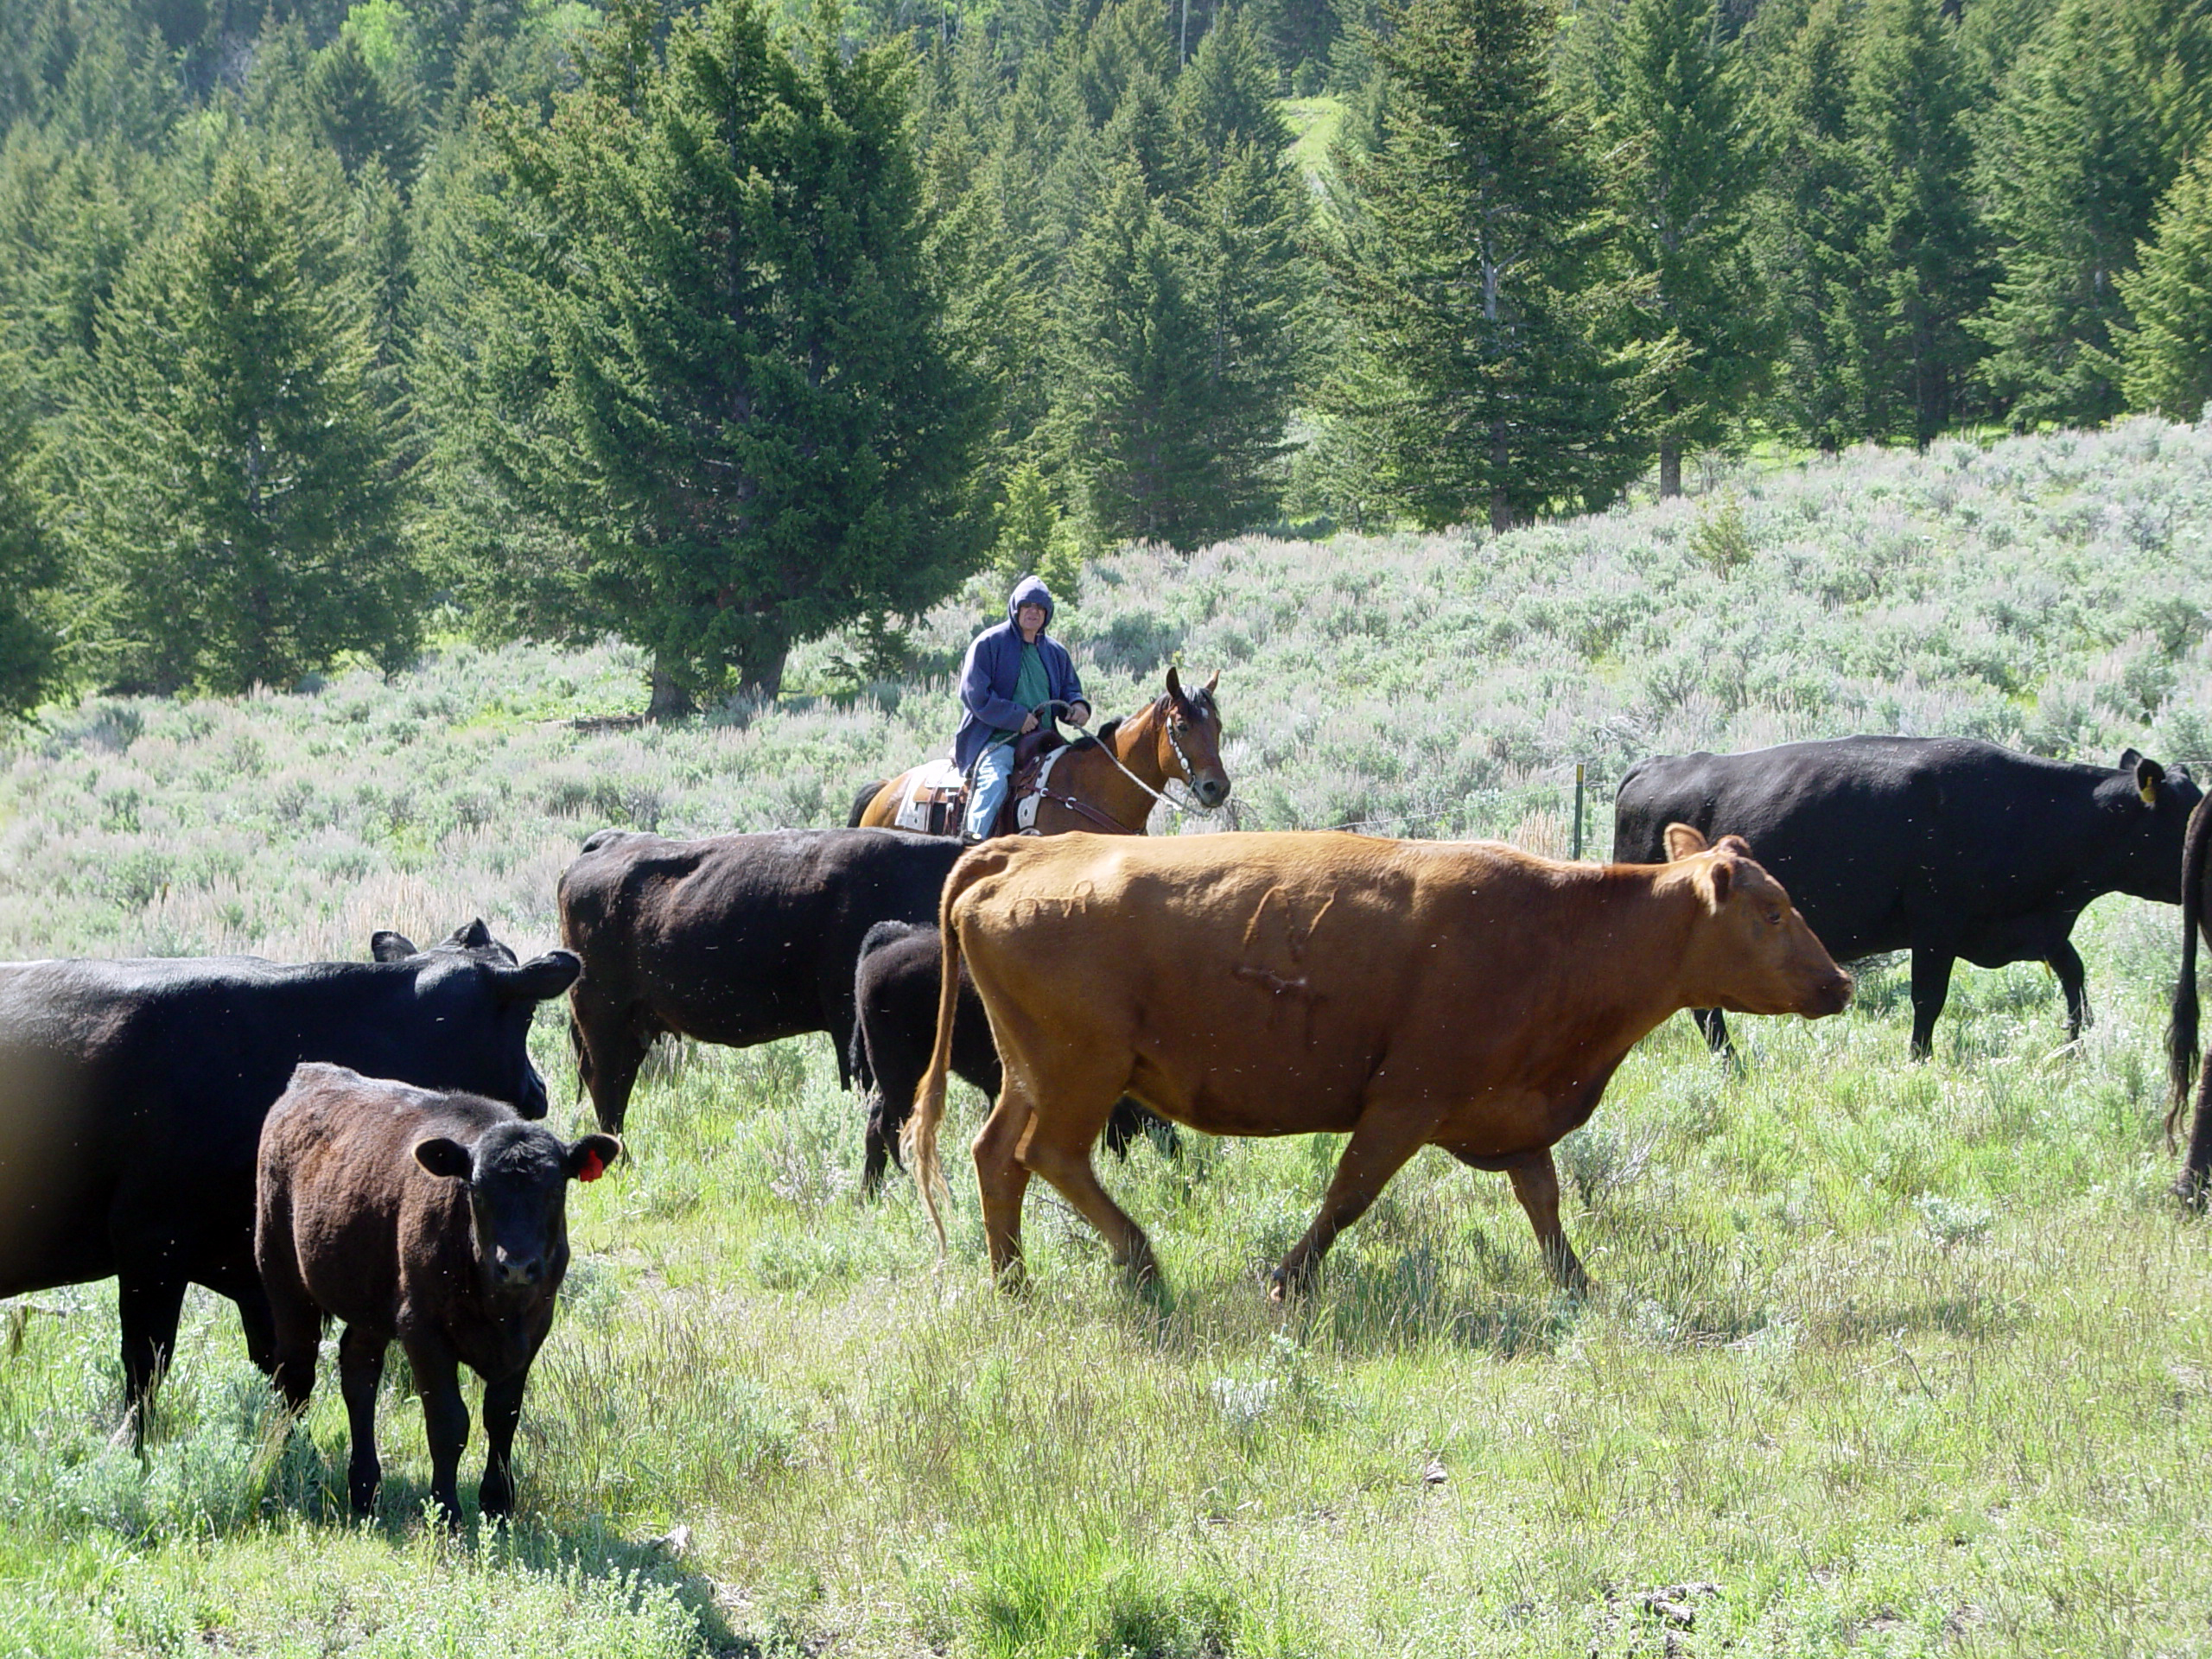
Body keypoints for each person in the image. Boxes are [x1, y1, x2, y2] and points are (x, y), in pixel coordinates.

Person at [953, 575, 1090, 841]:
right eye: (1027, 605)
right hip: (997, 740)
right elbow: (974, 694)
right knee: (994, 782)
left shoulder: (1056, 652)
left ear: (1047, 614)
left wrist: (1077, 706)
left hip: (1046, 743)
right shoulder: (989, 643)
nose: (1033, 611)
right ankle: (973, 847)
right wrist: (1017, 718)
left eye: (1039, 607)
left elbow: (1070, 689)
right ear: (1015, 608)